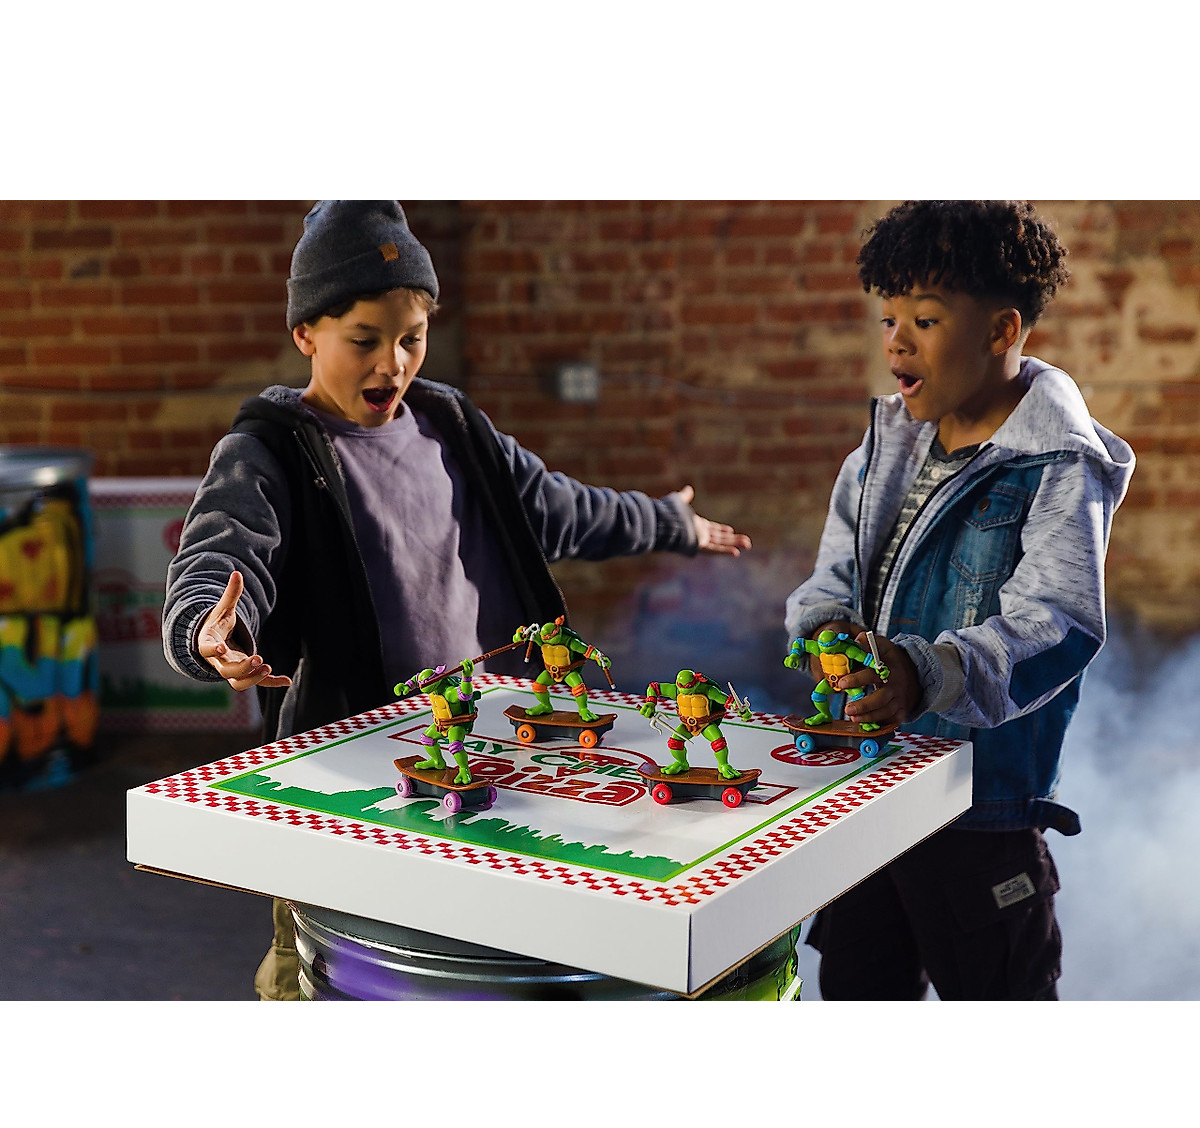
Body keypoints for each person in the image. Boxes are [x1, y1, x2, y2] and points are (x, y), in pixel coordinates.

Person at [162, 200, 751, 1000]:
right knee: (337, 975)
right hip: (354, 787)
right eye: (364, 341)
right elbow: (222, 553)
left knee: (473, 972)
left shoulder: (453, 429)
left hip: (481, 759)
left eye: (411, 339)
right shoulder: (268, 450)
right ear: (305, 333)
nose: (392, 364)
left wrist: (669, 522)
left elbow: (559, 508)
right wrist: (205, 629)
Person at [784, 200, 1134, 1001]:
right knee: (858, 990)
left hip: (976, 813)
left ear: (1002, 331)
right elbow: (830, 577)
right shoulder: (884, 447)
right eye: (889, 319)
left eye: (927, 320)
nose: (896, 341)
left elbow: (1058, 622)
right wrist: (831, 633)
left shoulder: (1057, 465)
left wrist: (923, 672)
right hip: (870, 788)